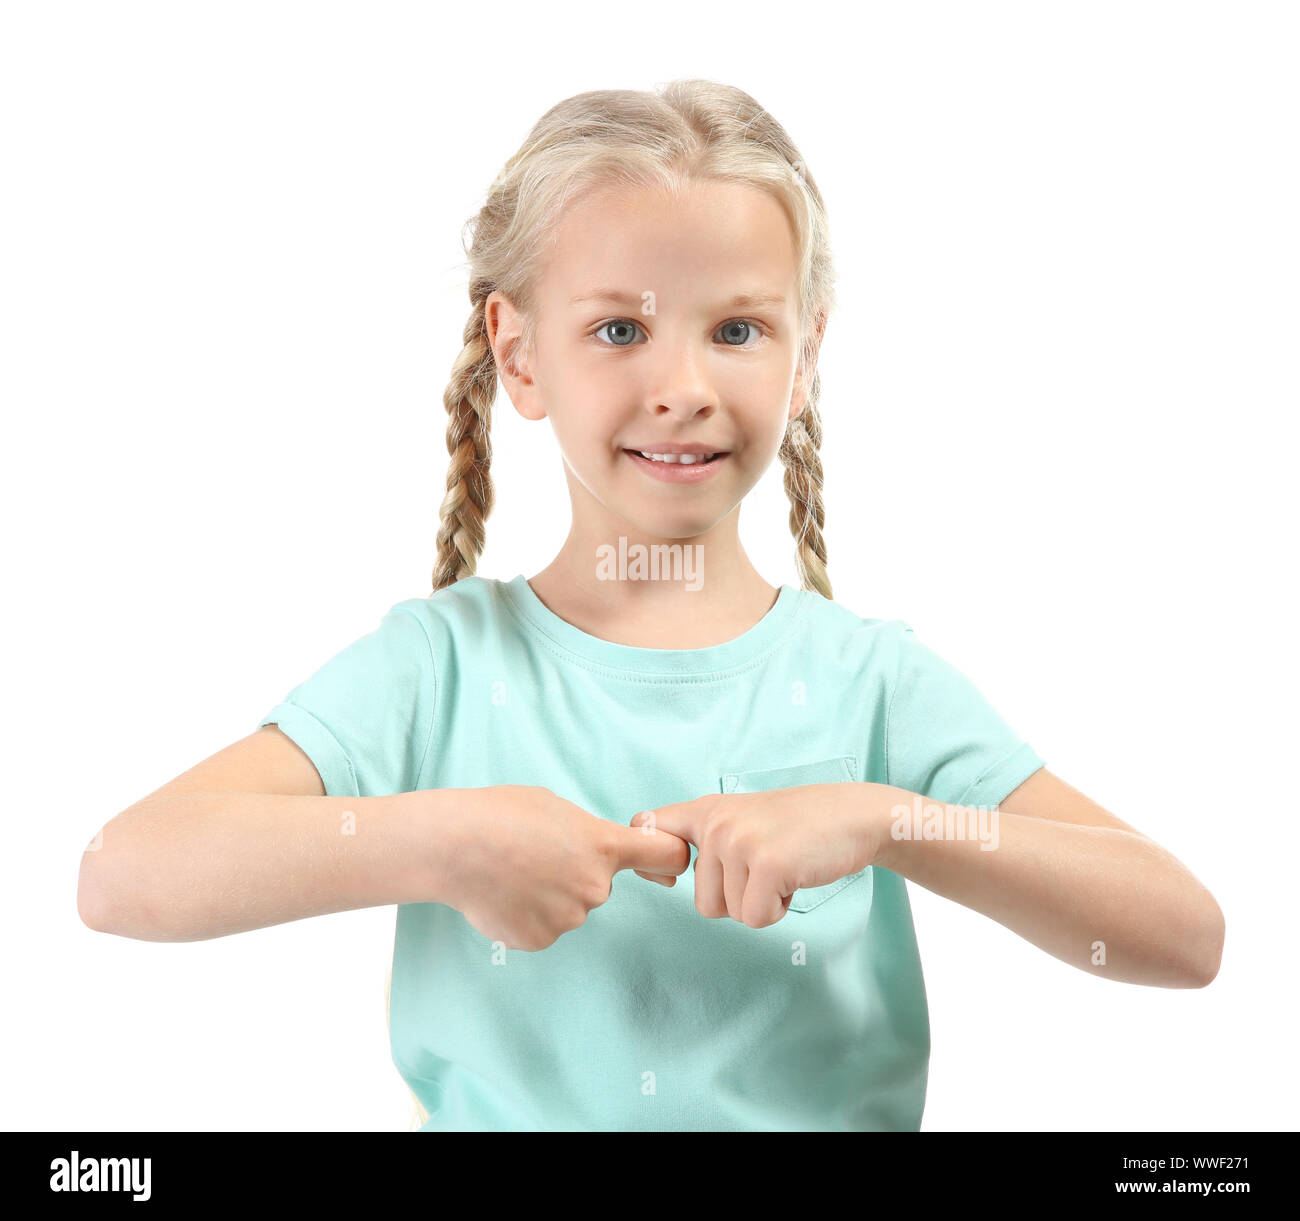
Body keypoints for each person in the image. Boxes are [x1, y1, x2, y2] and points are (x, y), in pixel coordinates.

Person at [79, 79, 1225, 1132]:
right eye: (619, 330)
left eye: (737, 329)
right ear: (518, 355)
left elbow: (1180, 933)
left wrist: (883, 821)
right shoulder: (439, 668)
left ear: (804, 356)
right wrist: (445, 840)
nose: (681, 388)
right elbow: (125, 874)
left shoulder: (872, 684)